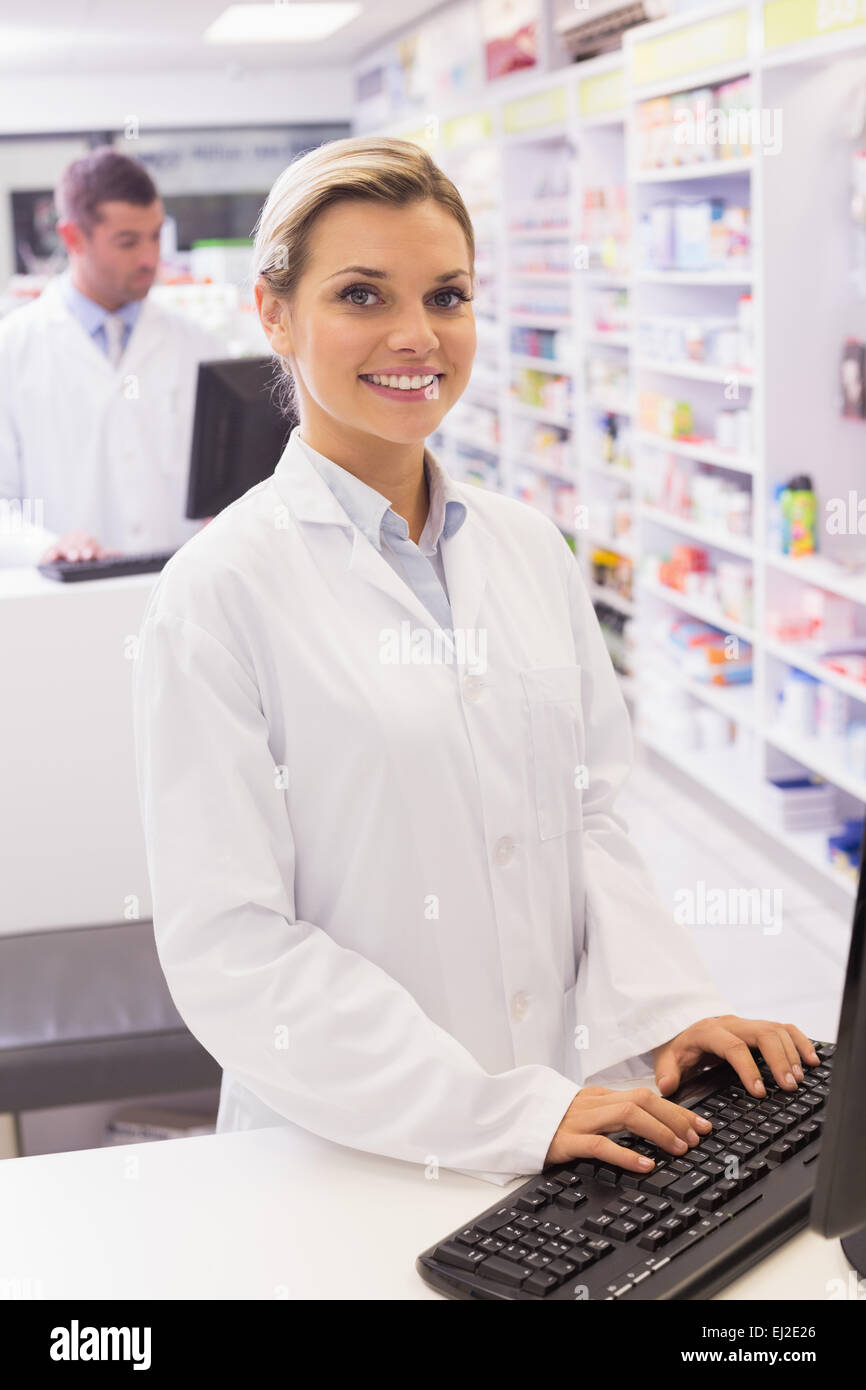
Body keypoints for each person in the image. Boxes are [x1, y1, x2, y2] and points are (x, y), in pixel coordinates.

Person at [132, 136, 820, 1186]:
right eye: (361, 295)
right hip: (341, 1149)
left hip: (561, 1124)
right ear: (273, 314)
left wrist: (670, 1010)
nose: (416, 335)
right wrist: (491, 1111)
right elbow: (232, 945)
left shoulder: (526, 547)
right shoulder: (217, 592)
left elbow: (590, 817)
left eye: (446, 296)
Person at [0, 147, 225, 566]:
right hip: (68, 590)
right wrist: (46, 546)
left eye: (155, 236)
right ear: (72, 237)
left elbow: (229, 482)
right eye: (128, 242)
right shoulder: (12, 348)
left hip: (179, 585)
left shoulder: (199, 344)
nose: (149, 258)